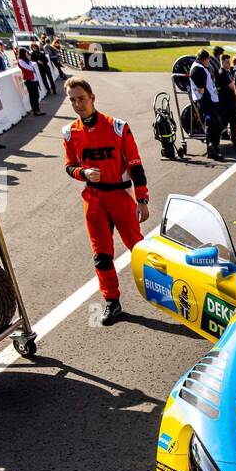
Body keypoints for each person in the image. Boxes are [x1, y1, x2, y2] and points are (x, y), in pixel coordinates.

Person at [62, 77, 149, 326]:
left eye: (82, 98)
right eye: (73, 100)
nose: (78, 104)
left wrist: (142, 199)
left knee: (139, 248)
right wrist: (83, 173)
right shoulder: (69, 132)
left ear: (92, 98)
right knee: (101, 255)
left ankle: (164, 289)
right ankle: (112, 301)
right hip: (93, 199)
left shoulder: (118, 127)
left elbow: (135, 165)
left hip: (120, 197)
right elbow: (69, 166)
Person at [188, 50, 223, 160]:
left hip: (210, 100)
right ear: (204, 59)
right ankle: (211, 150)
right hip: (206, 102)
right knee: (211, 125)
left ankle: (215, 146)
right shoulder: (197, 69)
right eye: (208, 59)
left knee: (217, 124)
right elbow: (201, 89)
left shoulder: (201, 67)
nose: (209, 61)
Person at [15, 48, 44, 116]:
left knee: (36, 95)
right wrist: (29, 59)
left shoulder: (27, 60)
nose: (27, 54)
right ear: (23, 53)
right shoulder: (21, 61)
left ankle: (38, 110)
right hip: (29, 80)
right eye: (26, 52)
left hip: (34, 79)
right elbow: (30, 68)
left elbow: (32, 67)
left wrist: (29, 59)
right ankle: (35, 111)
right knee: (33, 96)